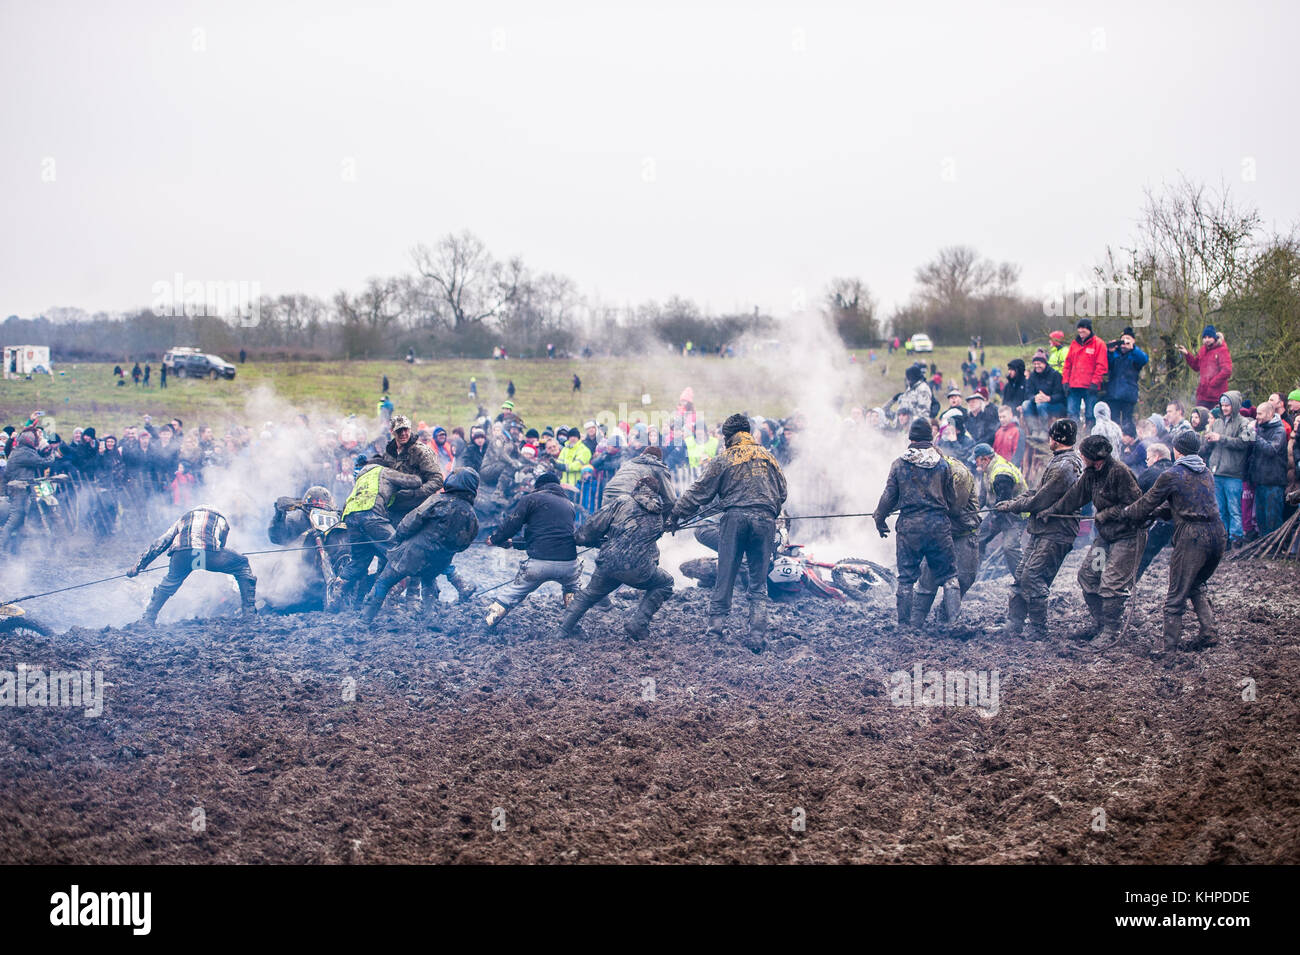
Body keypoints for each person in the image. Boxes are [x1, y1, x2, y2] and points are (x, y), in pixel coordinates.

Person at [668, 413, 788, 651]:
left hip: (734, 520)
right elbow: (782, 492)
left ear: (729, 436)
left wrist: (675, 515)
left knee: (725, 577)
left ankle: (715, 630)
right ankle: (756, 634)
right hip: (765, 521)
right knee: (758, 582)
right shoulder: (769, 457)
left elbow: (699, 492)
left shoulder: (725, 458)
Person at [1115, 431, 1226, 654]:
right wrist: (1158, 513)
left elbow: (1145, 503)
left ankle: (1169, 648)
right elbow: (1182, 504)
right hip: (1217, 533)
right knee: (1195, 584)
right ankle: (1208, 631)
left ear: (1177, 450)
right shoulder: (1205, 472)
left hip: (1193, 536)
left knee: (1175, 595)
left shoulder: (1172, 474)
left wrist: (1125, 513)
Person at [995, 418, 1084, 640]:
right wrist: (1019, 499)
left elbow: (1041, 500)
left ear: (1056, 439)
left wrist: (1012, 506)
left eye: (1051, 436)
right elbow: (1037, 491)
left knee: (1033, 576)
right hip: (1043, 528)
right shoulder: (1060, 462)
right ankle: (1014, 623)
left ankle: (1038, 629)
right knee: (1021, 575)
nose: (1048, 439)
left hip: (1057, 530)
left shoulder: (1065, 466)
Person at [1054, 435, 1145, 647]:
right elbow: (1074, 498)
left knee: (1112, 583)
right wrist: (1050, 511)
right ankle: (1101, 623)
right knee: (1088, 576)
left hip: (1127, 536)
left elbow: (1136, 504)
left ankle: (1111, 630)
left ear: (1095, 458)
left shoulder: (1119, 472)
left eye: (1083, 454)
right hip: (1105, 537)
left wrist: (1108, 513)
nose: (1081, 457)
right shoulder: (1091, 474)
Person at [874, 418, 964, 630]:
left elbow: (888, 496)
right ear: (929, 438)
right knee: (950, 577)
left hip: (909, 528)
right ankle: (955, 623)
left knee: (906, 579)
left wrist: (880, 518)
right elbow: (951, 498)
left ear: (911, 438)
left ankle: (905, 626)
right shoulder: (942, 464)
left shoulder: (899, 464)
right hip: (938, 526)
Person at [559, 476, 674, 641]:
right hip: (638, 568)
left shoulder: (623, 502)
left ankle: (562, 630)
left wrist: (580, 538)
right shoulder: (658, 515)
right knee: (666, 583)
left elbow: (594, 525)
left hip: (610, 562)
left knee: (588, 594)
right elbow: (651, 547)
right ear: (656, 493)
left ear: (637, 487)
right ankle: (638, 624)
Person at [360, 469, 480, 623]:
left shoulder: (438, 501)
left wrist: (398, 536)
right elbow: (464, 544)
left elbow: (412, 519)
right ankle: (430, 618)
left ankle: (365, 619)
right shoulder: (472, 515)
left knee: (384, 582)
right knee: (429, 582)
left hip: (413, 554)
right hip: (440, 560)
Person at [127, 505, 256, 625]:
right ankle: (249, 615)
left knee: (169, 584)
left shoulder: (183, 519)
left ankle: (148, 618)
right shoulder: (222, 520)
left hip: (182, 555)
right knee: (242, 564)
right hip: (208, 554)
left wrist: (137, 566)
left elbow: (161, 543)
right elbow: (221, 545)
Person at [483, 472, 581, 627]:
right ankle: (572, 624)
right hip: (569, 564)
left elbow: (512, 524)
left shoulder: (531, 499)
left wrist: (496, 539)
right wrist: (514, 543)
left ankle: (488, 622)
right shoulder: (569, 505)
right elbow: (550, 535)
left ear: (538, 486)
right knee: (572, 588)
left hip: (538, 564)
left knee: (513, 593)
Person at [330, 459, 425, 608]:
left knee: (358, 562)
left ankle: (335, 596)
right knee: (402, 554)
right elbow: (414, 482)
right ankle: (389, 599)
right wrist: (420, 475)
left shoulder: (362, 478)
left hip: (350, 518)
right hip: (371, 516)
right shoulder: (383, 471)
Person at [914, 448, 980, 628]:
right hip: (938, 532)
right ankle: (915, 622)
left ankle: (949, 620)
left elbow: (953, 508)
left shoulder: (958, 474)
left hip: (963, 532)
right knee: (926, 580)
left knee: (964, 578)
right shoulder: (924, 472)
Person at [1201, 390, 1252, 548]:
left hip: (1233, 473)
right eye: (1222, 405)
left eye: (1227, 405)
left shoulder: (1244, 423)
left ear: (1234, 405)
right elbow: (1210, 446)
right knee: (1220, 509)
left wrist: (1221, 438)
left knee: (1234, 509)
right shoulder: (1217, 423)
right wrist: (1208, 440)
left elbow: (1245, 442)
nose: (1224, 408)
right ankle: (1222, 540)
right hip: (1217, 472)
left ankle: (1236, 539)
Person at [973, 443, 1026, 578]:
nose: (976, 465)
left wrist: (994, 522)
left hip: (1015, 515)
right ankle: (973, 575)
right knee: (977, 537)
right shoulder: (988, 470)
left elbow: (1004, 502)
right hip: (998, 512)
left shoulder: (1001, 474)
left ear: (985, 459)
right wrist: (972, 511)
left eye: (977, 461)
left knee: (1009, 548)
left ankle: (1023, 580)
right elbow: (983, 498)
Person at [381, 414, 443, 520]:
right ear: (392, 431)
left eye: (406, 429)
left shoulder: (421, 451)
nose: (403, 433)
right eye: (399, 430)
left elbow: (437, 480)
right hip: (395, 507)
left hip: (419, 508)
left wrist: (415, 493)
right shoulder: (389, 453)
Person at [1134, 443, 1176, 581]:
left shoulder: (1150, 473)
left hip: (1158, 522)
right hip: (1179, 523)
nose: (1147, 463)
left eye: (1148, 459)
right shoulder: (1177, 471)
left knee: (1142, 556)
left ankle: (1128, 583)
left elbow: (1136, 496)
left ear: (1157, 457)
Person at [1249, 400, 1288, 536]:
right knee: (1261, 518)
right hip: (1260, 481)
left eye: (1260, 414)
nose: (1257, 417)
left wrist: (1255, 437)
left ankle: (1273, 548)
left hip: (1274, 482)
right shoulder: (1260, 427)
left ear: (1270, 414)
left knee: (1273, 518)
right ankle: (1262, 546)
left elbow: (1271, 449)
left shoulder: (1279, 430)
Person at [1061, 318, 1107, 424]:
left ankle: (1090, 437)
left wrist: (1095, 382)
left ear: (1089, 329)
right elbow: (1067, 364)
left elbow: (1101, 366)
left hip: (1090, 386)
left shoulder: (1099, 344)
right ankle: (1073, 437)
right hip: (1073, 386)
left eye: (1083, 328)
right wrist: (1065, 382)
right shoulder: (1074, 344)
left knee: (1091, 415)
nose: (1081, 331)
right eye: (1079, 328)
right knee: (1072, 413)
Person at [1177, 326, 1232, 408]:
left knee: (1215, 419)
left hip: (1216, 396)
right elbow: (1196, 366)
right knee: (1199, 417)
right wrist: (1187, 354)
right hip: (1202, 395)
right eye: (1205, 337)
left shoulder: (1222, 350)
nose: (1207, 340)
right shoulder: (1202, 350)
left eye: (1209, 337)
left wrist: (1212, 383)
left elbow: (1227, 370)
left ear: (1214, 338)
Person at [1104, 328, 1147, 428]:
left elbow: (1144, 359)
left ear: (1133, 341)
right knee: (1113, 421)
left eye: (1128, 339)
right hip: (1113, 394)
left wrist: (1133, 348)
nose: (1124, 342)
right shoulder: (1115, 354)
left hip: (1129, 395)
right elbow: (1106, 365)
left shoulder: (1135, 355)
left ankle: (1129, 439)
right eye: (1122, 339)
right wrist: (1110, 352)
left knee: (1127, 421)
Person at [1022, 352, 1066, 426]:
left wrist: (1049, 398)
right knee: (1025, 404)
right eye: (1035, 364)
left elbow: (1061, 395)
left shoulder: (1055, 375)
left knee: (1041, 405)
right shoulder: (1032, 376)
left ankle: (1044, 430)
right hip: (1038, 402)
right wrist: (1035, 398)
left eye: (1039, 364)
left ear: (1045, 363)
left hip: (1056, 405)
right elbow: (1028, 393)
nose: (1037, 366)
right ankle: (1034, 429)